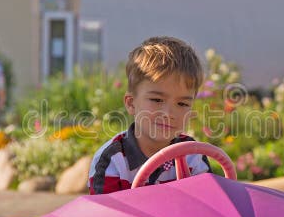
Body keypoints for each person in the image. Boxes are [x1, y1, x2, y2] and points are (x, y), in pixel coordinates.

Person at [88, 36, 212, 194]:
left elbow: (207, 211)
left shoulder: (192, 156)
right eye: (157, 100)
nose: (168, 114)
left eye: (182, 104)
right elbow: (104, 216)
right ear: (131, 103)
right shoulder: (112, 160)